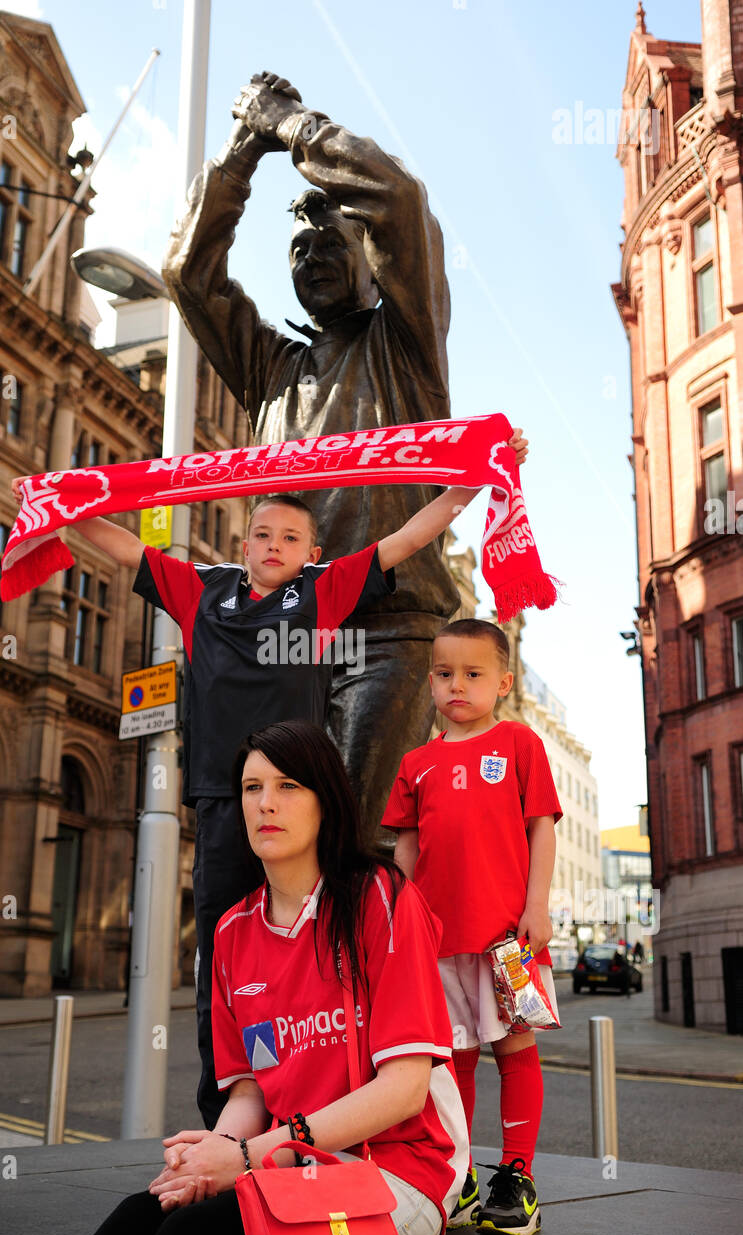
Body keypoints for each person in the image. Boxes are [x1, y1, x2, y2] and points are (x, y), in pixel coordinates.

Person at [10, 473, 498, 1129]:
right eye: (263, 534)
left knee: (316, 952)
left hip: (302, 802)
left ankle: (326, 1108)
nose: (275, 545)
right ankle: (227, 1117)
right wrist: (54, 509)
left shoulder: (322, 590)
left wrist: (470, 482)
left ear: (309, 550)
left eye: (290, 537)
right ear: (244, 545)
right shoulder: (201, 590)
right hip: (222, 798)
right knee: (227, 958)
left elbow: (406, 537)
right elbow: (124, 549)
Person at [161, 68, 528, 838]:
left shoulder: (405, 345)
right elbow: (186, 274)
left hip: (385, 631)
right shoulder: (270, 370)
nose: (312, 254)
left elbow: (399, 201)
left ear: (372, 263)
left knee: (348, 836)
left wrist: (291, 126)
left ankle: (351, 956)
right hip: (283, 630)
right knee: (268, 835)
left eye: (333, 241)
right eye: (298, 246)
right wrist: (239, 152)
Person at [7, 720, 468, 1235]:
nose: (266, 804)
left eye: (288, 786)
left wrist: (248, 1158)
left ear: (327, 799)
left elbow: (404, 1090)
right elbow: (250, 1093)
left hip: (399, 1176)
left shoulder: (381, 896)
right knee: (143, 1211)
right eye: (252, 788)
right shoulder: (231, 932)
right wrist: (210, 1158)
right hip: (290, 1165)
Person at [382, 619, 562, 1235]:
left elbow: (542, 826)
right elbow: (405, 853)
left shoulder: (518, 744)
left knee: (514, 1050)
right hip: (436, 942)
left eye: (473, 673)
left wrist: (537, 906)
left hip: (506, 938)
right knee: (451, 1064)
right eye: (444, 673)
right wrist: (396, 927)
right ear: (431, 680)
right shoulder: (416, 763)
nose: (457, 685)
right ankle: (456, 1176)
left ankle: (517, 1178)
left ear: (504, 682)